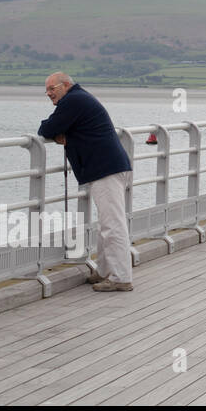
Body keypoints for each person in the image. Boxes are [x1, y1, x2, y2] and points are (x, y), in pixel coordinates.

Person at [37, 73, 134, 292]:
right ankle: (104, 271)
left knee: (112, 224)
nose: (49, 93)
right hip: (108, 167)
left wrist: (60, 132)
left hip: (106, 169)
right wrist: (66, 133)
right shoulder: (78, 99)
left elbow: (47, 128)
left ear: (66, 85)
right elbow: (62, 127)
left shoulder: (73, 100)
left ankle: (121, 277)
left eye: (53, 88)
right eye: (47, 90)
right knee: (106, 224)